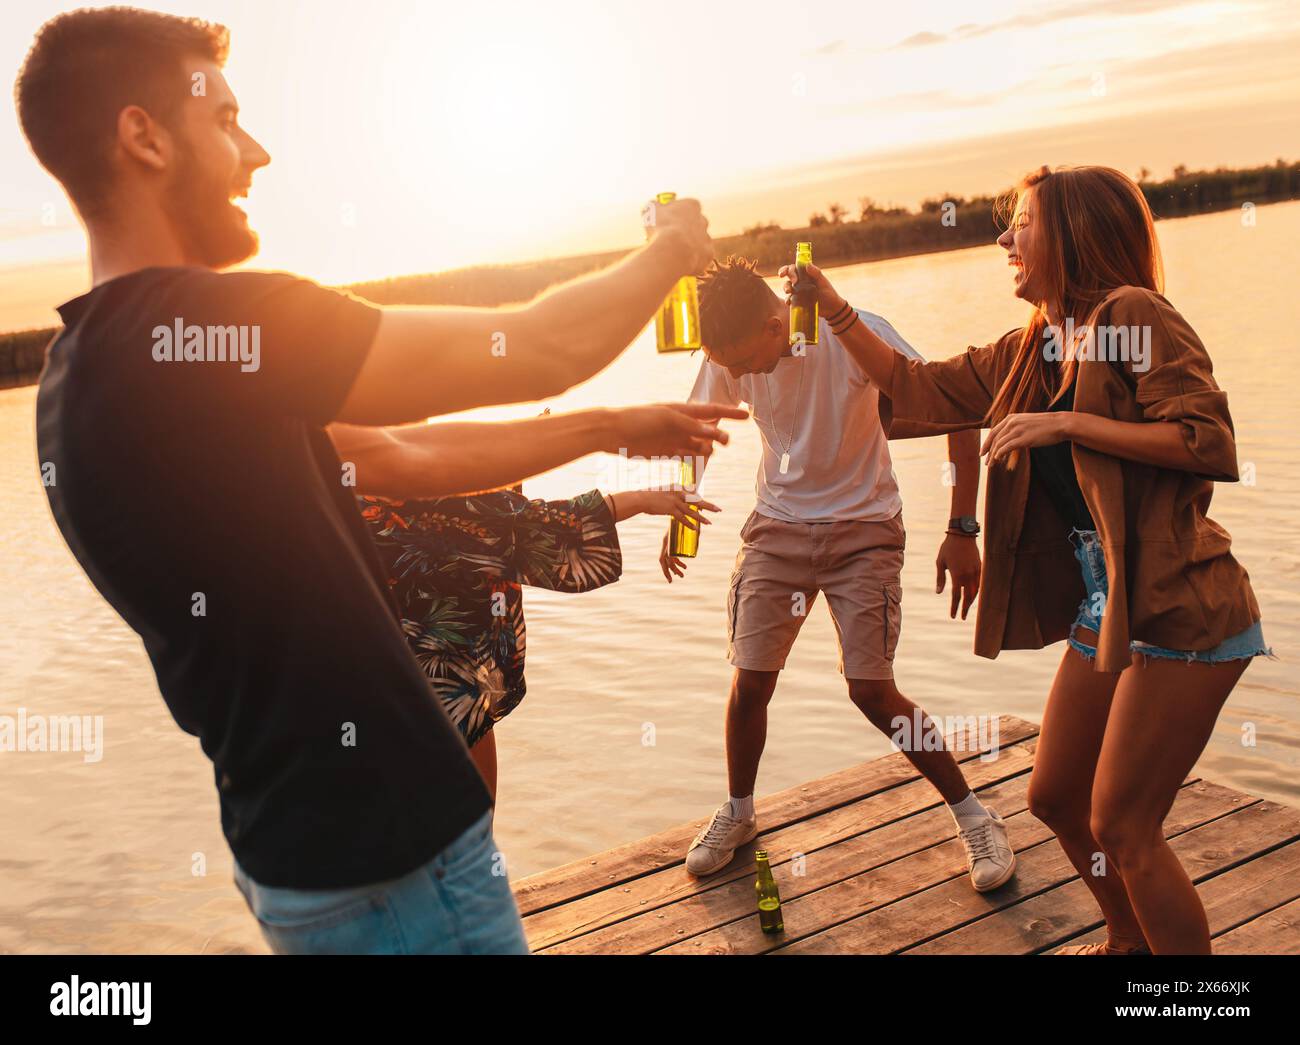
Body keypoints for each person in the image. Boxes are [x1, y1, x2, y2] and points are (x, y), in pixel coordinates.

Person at [18, 7, 743, 955]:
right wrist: (674, 249)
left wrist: (614, 425)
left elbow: (406, 458)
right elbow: (533, 344)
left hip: (308, 854)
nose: (258, 153)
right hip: (390, 866)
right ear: (144, 135)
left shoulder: (87, 372)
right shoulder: (201, 329)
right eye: (227, 119)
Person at [799, 164, 1271, 955]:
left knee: (1123, 821)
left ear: (1074, 234)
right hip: (1110, 605)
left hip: (1182, 603)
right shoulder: (1032, 348)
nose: (1004, 239)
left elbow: (1207, 441)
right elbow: (912, 388)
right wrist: (833, 306)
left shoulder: (1133, 314)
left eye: (1021, 223)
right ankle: (1126, 942)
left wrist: (1067, 427)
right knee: (1056, 796)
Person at [665, 255, 1017, 893]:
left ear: (776, 325)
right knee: (750, 682)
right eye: (729, 366)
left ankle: (975, 814)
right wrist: (677, 508)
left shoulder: (854, 332)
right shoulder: (726, 352)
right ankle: (740, 812)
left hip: (865, 529)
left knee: (871, 691)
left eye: (746, 361)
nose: (738, 375)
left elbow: (957, 410)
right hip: (777, 527)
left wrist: (963, 528)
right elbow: (697, 430)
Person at [334, 414, 720, 798]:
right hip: (451, 680)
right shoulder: (429, 493)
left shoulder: (330, 483)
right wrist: (641, 498)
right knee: (463, 787)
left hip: (365, 676)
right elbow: (533, 525)